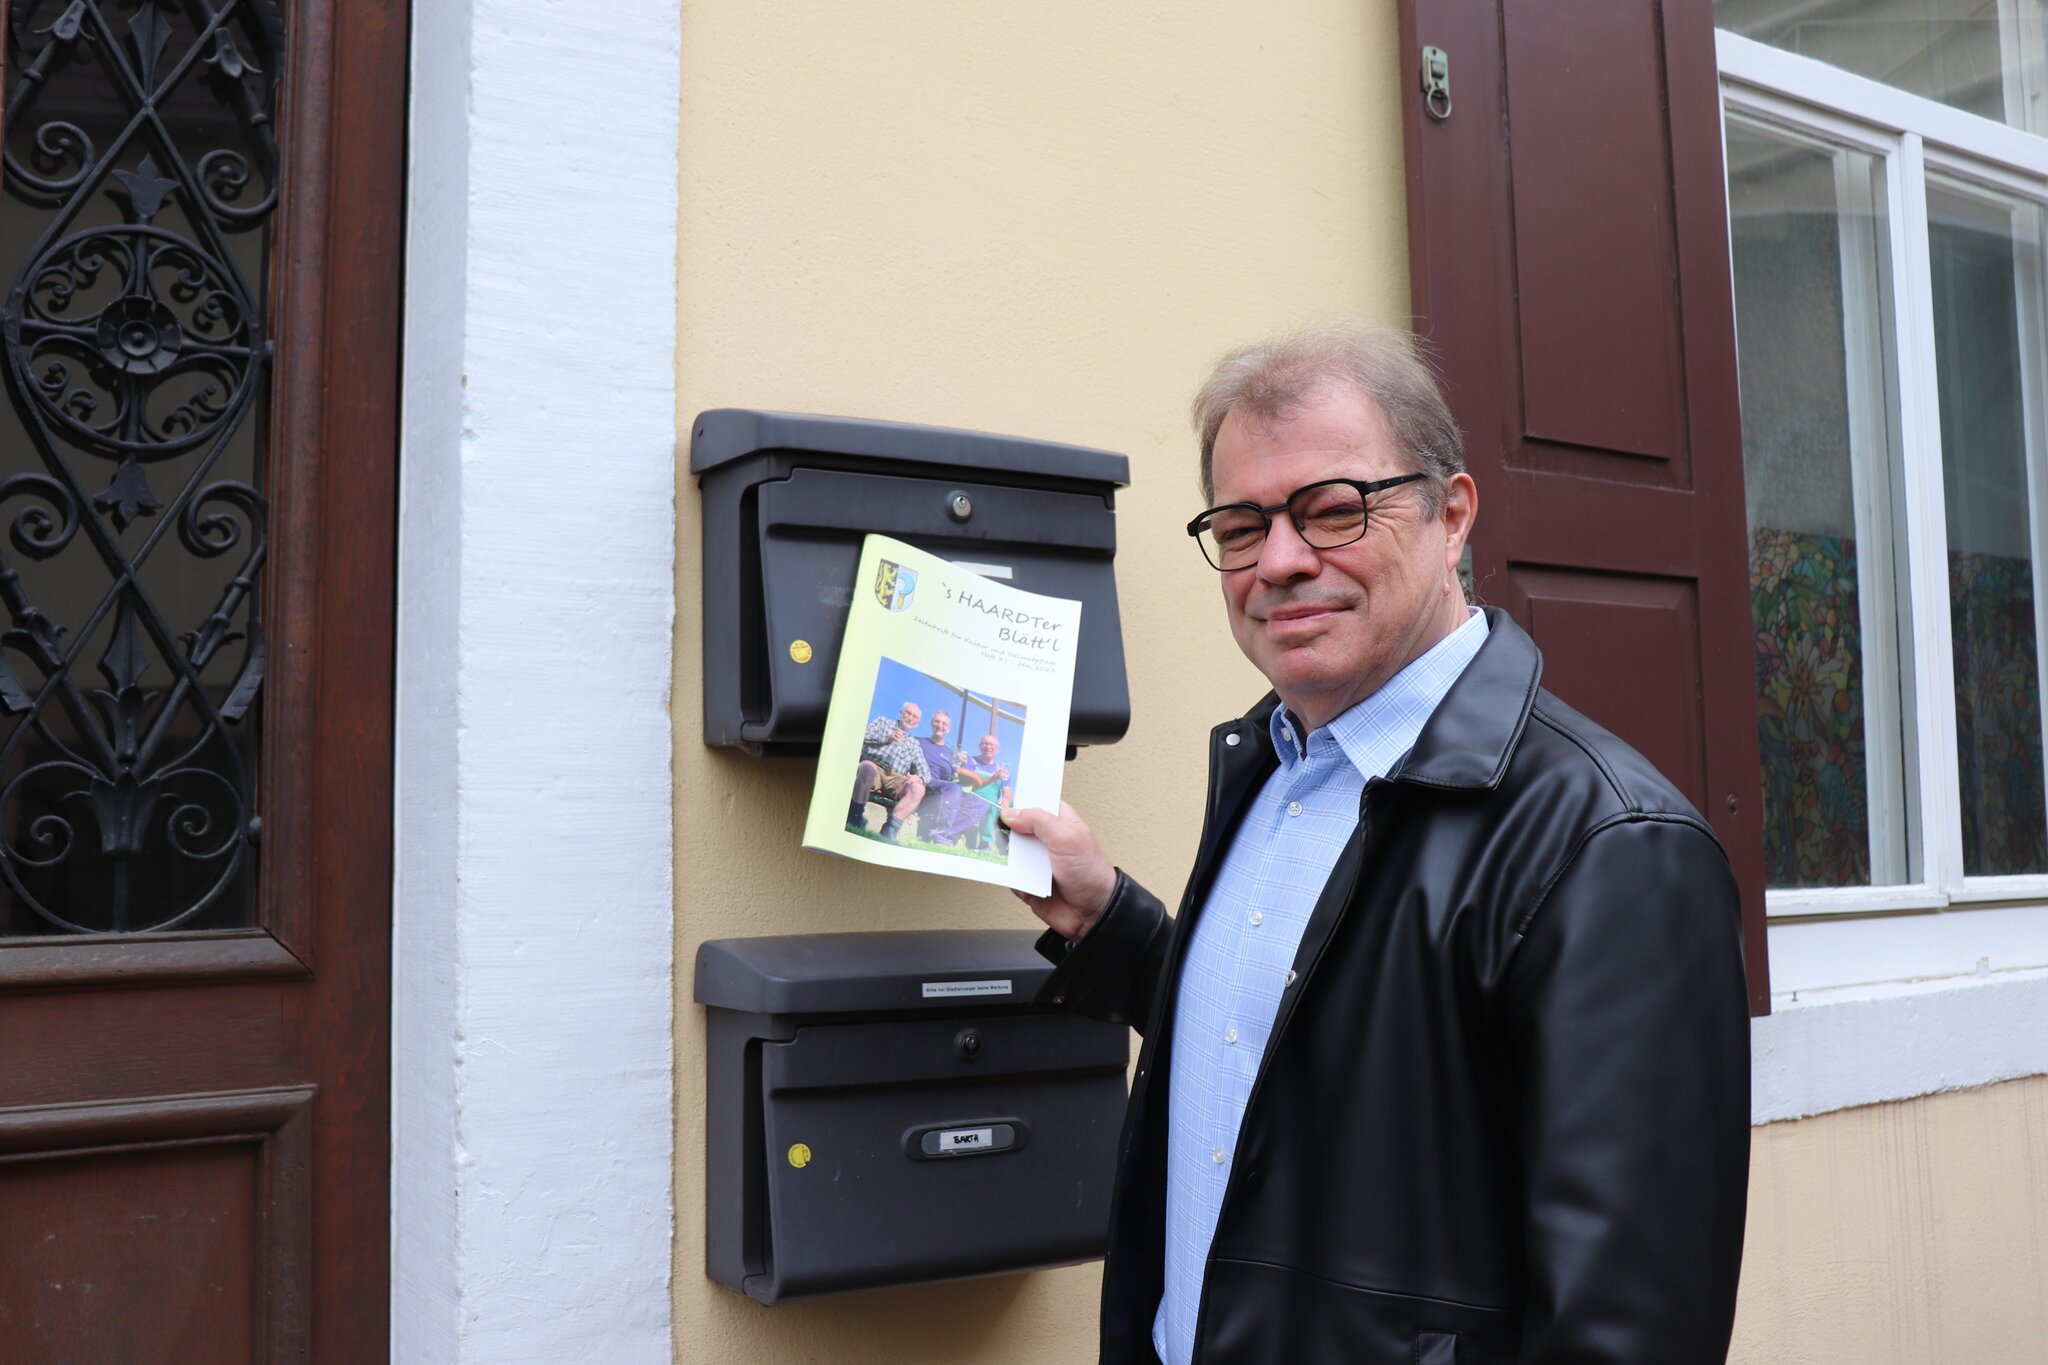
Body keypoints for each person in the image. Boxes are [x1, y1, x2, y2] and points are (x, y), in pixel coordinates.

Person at [1001, 321, 1750, 1364]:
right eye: (1239, 525)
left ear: (1451, 517)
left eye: (1332, 510)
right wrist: (1109, 924)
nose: (1279, 562)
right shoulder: (1272, 769)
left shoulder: (1611, 844)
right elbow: (1313, 1051)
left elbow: (1629, 1330)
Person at [847, 700, 930, 841]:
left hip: (896, 779)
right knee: (866, 767)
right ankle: (855, 817)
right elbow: (863, 736)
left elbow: (925, 771)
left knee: (918, 789)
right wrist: (887, 738)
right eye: (908, 713)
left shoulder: (914, 744)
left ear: (917, 723)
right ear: (900, 713)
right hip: (875, 768)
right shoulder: (882, 722)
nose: (910, 718)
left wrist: (919, 778)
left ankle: (889, 832)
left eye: (914, 717)